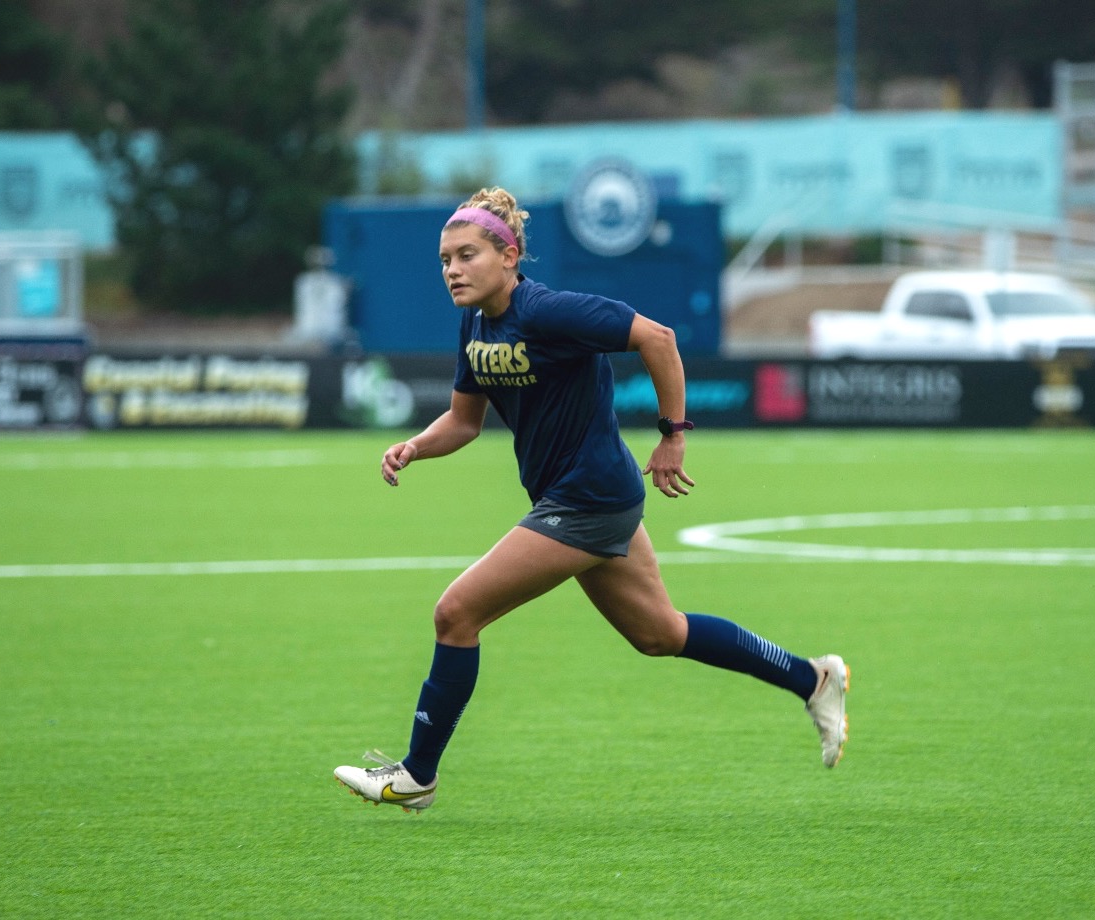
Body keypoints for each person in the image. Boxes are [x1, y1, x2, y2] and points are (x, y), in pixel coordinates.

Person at [334, 188, 848, 813]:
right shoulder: (474, 322)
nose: (452, 270)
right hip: (584, 497)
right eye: (445, 260)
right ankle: (812, 678)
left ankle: (417, 775)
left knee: (456, 612)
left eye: (467, 256)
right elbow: (464, 421)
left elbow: (658, 338)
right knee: (661, 633)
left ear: (510, 255)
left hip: (588, 498)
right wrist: (416, 446)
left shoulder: (551, 311)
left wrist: (673, 437)